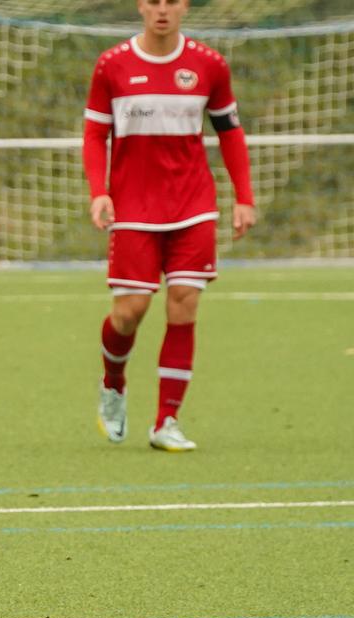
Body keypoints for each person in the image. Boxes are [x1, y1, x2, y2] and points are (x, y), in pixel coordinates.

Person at [83, 0, 256, 451]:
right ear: (141, 6)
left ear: (185, 7)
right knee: (129, 312)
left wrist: (244, 197)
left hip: (193, 206)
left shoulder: (209, 64)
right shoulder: (112, 65)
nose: (163, 10)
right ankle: (113, 382)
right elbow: (95, 134)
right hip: (133, 209)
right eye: (154, 1)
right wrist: (99, 191)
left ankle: (166, 421)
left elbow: (230, 132)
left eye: (172, 1)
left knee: (184, 304)